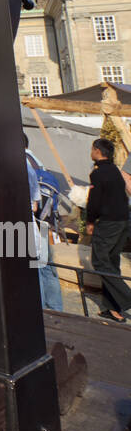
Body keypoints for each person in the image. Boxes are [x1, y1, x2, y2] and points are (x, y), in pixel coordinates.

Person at [86, 137, 131, 322]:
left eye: (92, 149)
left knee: (99, 262)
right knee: (112, 263)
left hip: (109, 223)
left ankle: (127, 297)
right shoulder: (115, 170)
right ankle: (113, 309)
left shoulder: (98, 173)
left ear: (97, 151)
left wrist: (90, 221)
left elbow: (94, 201)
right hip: (123, 221)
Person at [23, 133, 63, 311]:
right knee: (47, 269)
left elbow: (32, 206)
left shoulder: (21, 163)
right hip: (46, 222)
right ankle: (56, 308)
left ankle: (39, 312)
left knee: (35, 270)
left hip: (32, 224)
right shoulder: (36, 161)